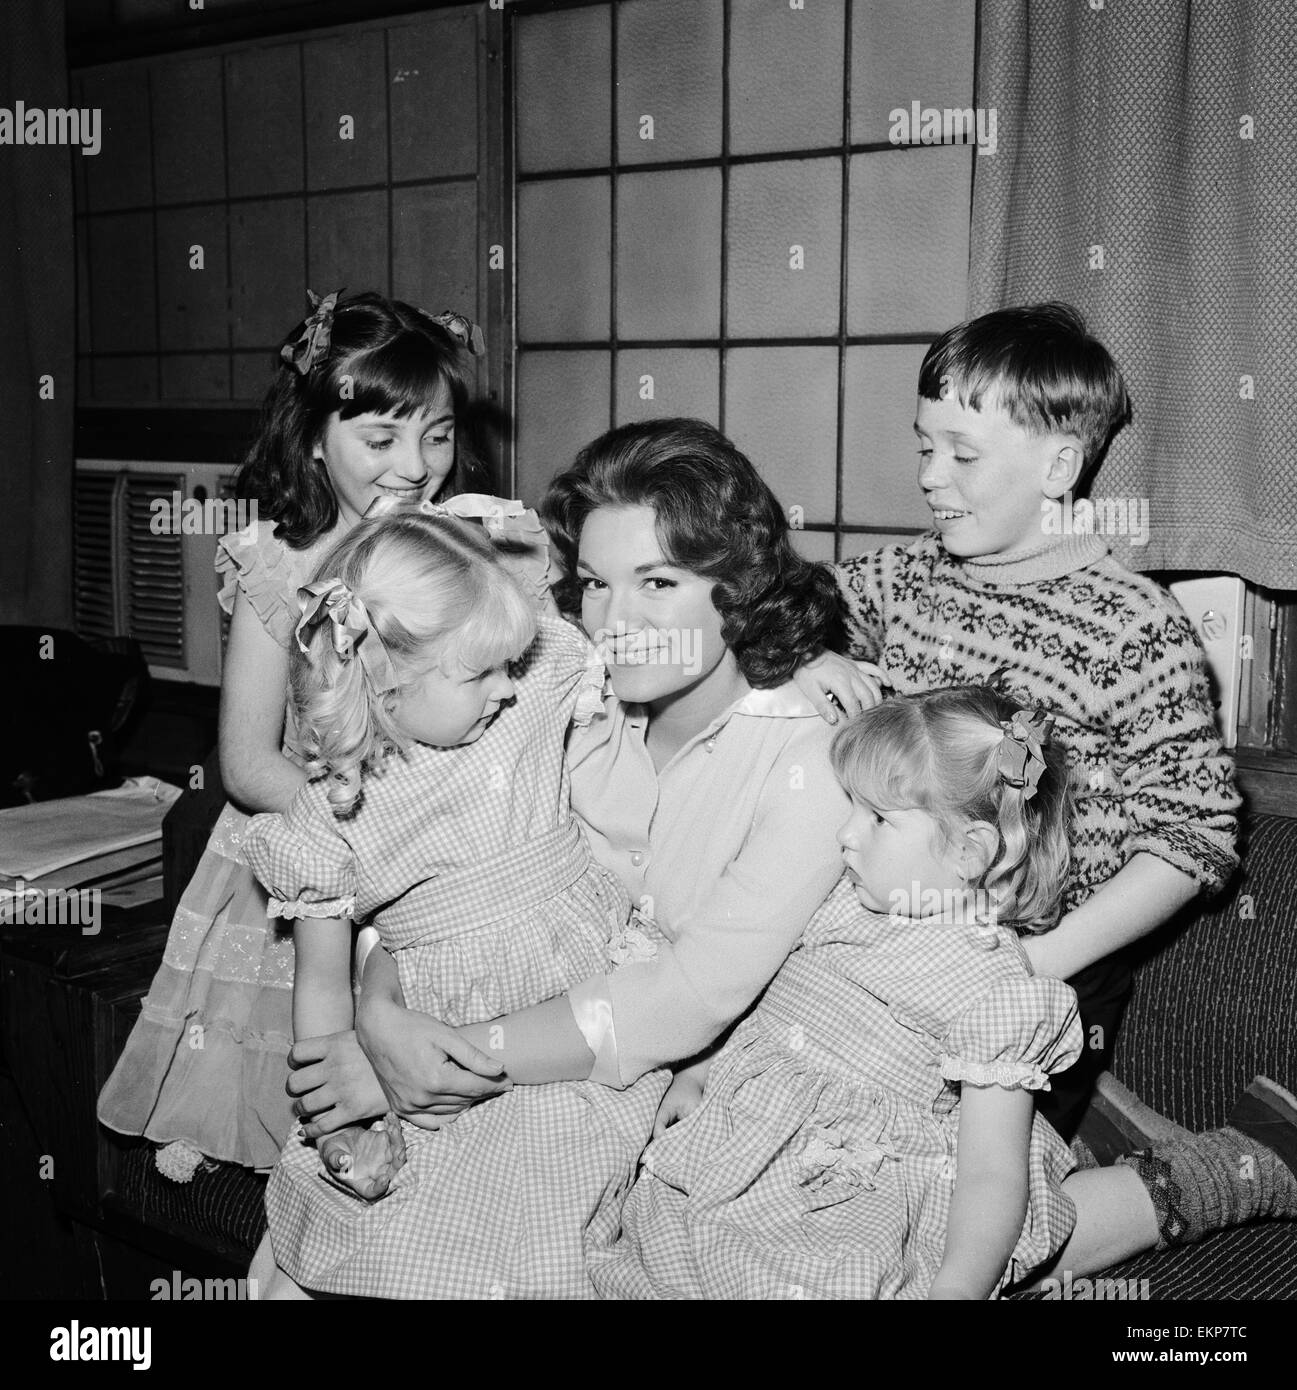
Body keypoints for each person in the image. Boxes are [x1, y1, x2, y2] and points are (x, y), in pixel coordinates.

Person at [286, 419, 868, 1165]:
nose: (613, 623)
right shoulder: (559, 707)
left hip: (697, 1105)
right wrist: (379, 1010)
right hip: (497, 1068)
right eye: (595, 584)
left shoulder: (813, 754)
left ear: (742, 586)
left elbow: (686, 998)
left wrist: (445, 1059)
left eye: (657, 582)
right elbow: (456, 874)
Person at [594, 688, 1297, 1300]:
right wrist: (698, 1070)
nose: (842, 835)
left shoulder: (994, 995)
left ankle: (1243, 1164)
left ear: (967, 853)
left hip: (862, 1192)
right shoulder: (835, 901)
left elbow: (991, 1176)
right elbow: (755, 1003)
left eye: (875, 820)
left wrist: (959, 1286)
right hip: (747, 1158)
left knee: (1019, 1239)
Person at [95, 290, 526, 1173]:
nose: (415, 467)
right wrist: (360, 826)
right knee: (302, 1064)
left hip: (445, 839)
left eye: (437, 435)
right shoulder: (274, 561)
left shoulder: (466, 544)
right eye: (382, 439)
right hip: (314, 838)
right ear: (314, 433)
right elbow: (248, 759)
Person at [800, 303, 1240, 1139]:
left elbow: (1194, 836)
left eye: (963, 454)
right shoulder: (903, 578)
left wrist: (1038, 962)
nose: (931, 477)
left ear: (1059, 466)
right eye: (925, 448)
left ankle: (1191, 1170)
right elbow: (771, 607)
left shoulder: (1134, 626)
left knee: (958, 1194)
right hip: (889, 928)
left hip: (1044, 957)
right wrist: (806, 652)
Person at [241, 510, 668, 1299]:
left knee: (557, 1201)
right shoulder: (330, 813)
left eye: (509, 664)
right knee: (430, 1240)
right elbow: (323, 987)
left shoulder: (532, 688)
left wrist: (799, 664)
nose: (507, 686)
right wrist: (341, 1115)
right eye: (481, 673)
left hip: (574, 987)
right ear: (386, 680)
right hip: (437, 1017)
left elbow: (663, 646)